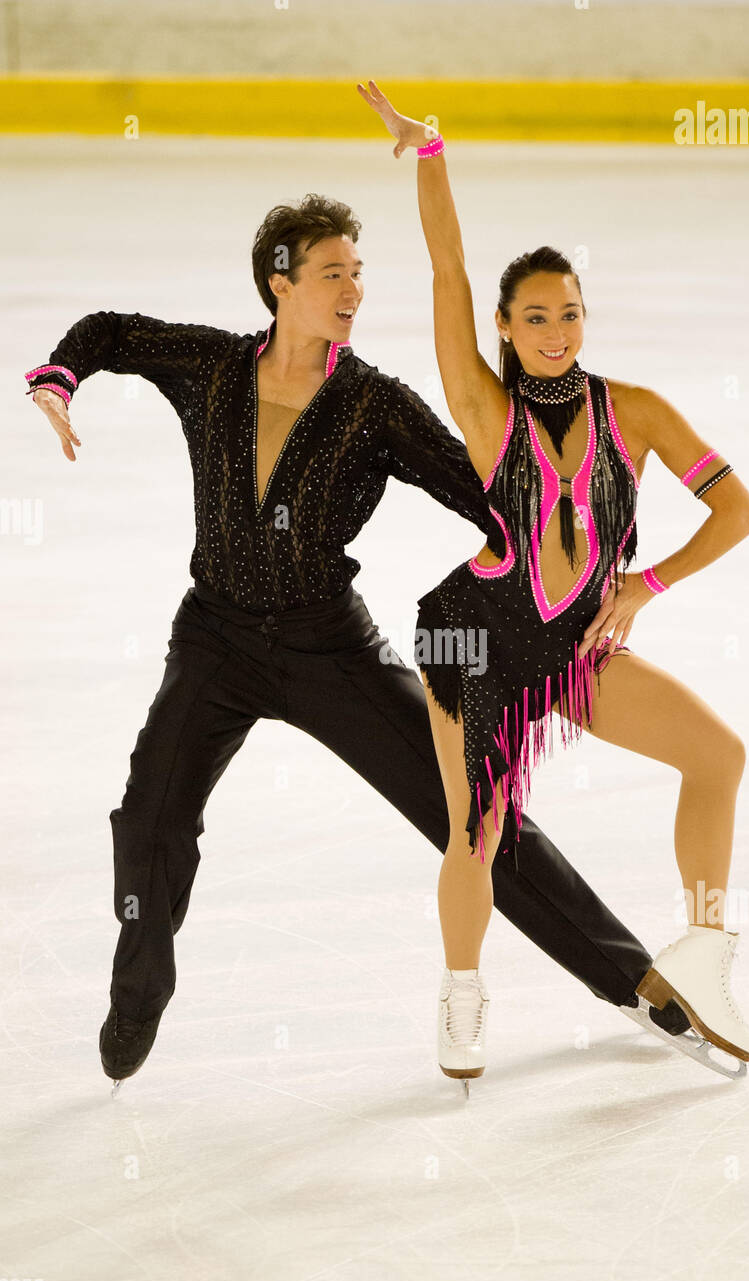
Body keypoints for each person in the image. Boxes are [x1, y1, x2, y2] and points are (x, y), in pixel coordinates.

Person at [24, 192, 697, 1092]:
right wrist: (57, 380)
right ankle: (141, 979)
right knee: (150, 813)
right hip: (216, 637)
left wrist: (592, 551)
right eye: (333, 274)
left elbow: (494, 495)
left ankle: (632, 979)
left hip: (330, 647)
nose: (353, 290)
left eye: (359, 274)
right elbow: (109, 332)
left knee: (472, 814)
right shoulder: (213, 368)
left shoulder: (374, 405)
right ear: (281, 283)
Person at [358, 79, 749, 1089]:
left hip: (575, 642)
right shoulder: (484, 411)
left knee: (715, 754)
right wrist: (430, 150)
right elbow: (446, 267)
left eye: (569, 313)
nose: (555, 331)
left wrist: (646, 585)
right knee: (476, 828)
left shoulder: (638, 411)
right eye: (534, 316)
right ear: (504, 325)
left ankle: (703, 952)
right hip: (470, 635)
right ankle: (461, 994)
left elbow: (737, 510)